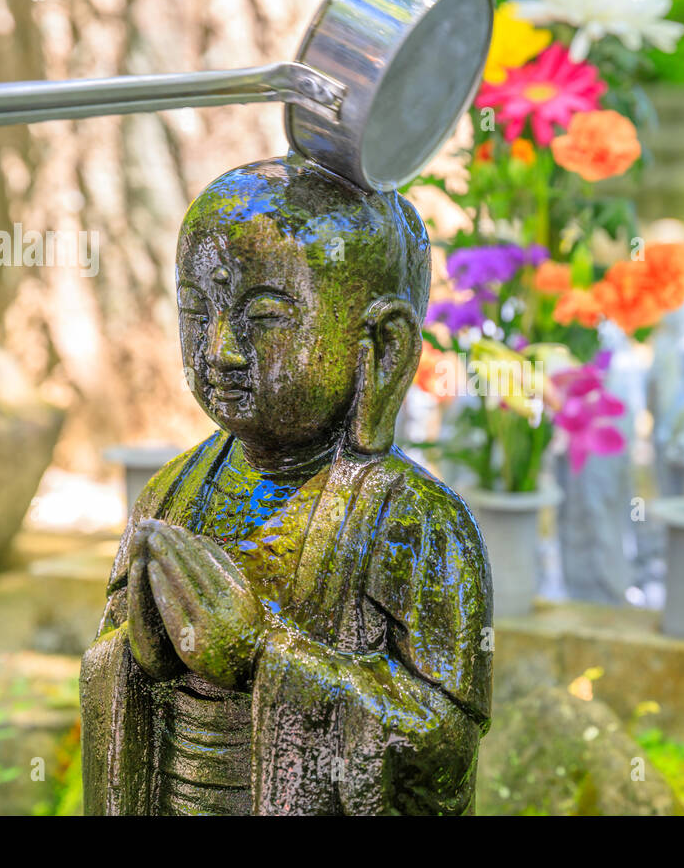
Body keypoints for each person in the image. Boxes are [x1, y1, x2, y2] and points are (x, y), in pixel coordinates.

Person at [81, 156, 491, 815]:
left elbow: (440, 746)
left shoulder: (413, 520)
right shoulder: (169, 494)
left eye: (264, 317)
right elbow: (109, 662)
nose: (220, 349)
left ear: (383, 345)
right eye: (195, 308)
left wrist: (261, 656)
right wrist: (138, 655)